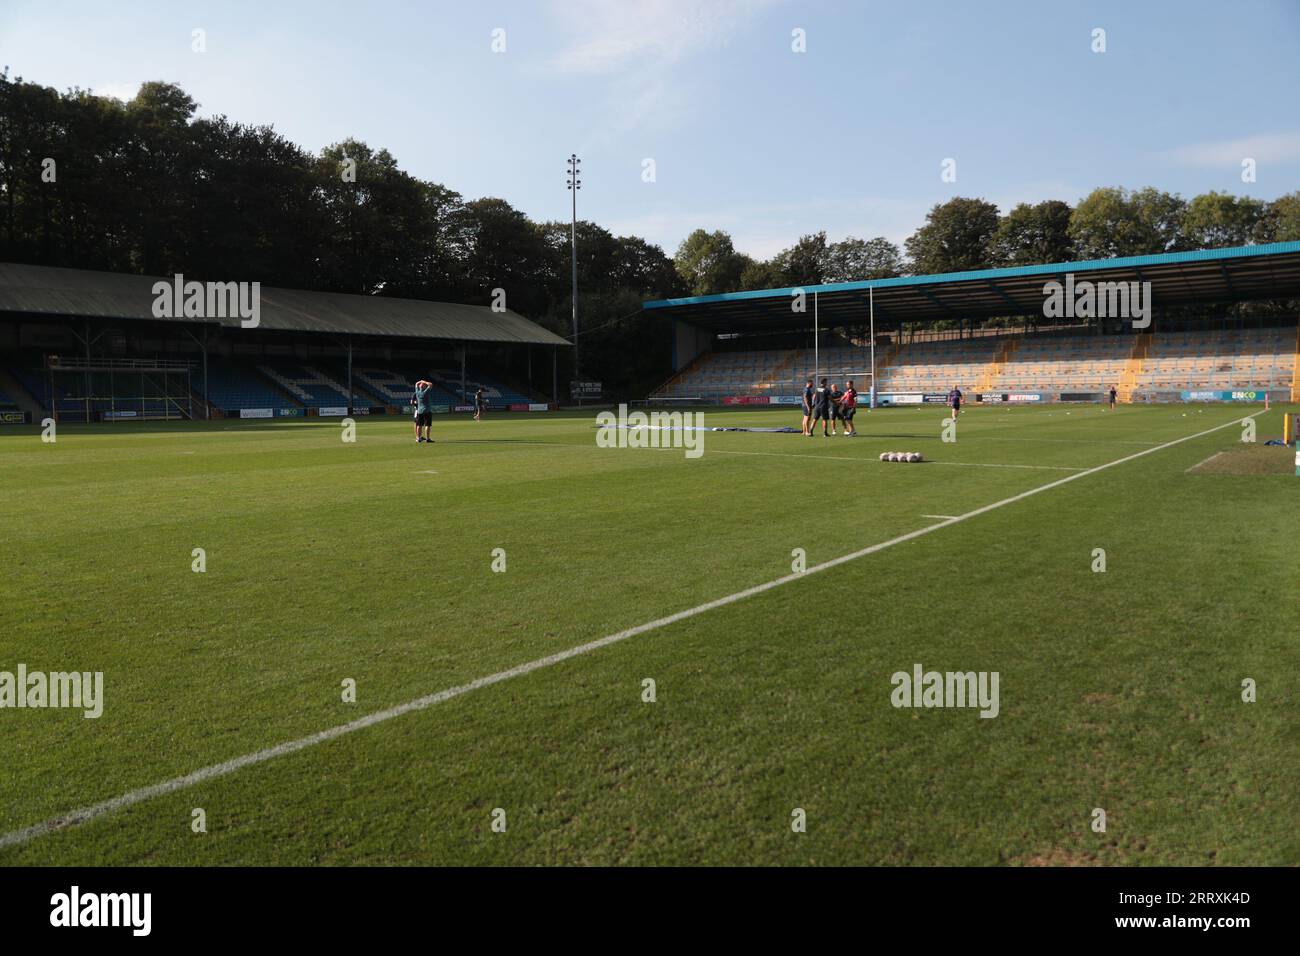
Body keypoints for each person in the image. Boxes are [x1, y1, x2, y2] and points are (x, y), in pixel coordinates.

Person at [411, 378, 435, 443]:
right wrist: (424, 381)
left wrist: (420, 382)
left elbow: (416, 384)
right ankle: (427, 438)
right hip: (427, 410)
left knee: (419, 425)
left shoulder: (417, 392)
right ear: (424, 387)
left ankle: (418, 438)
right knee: (427, 425)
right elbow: (430, 384)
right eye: (425, 385)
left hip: (419, 411)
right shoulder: (425, 392)